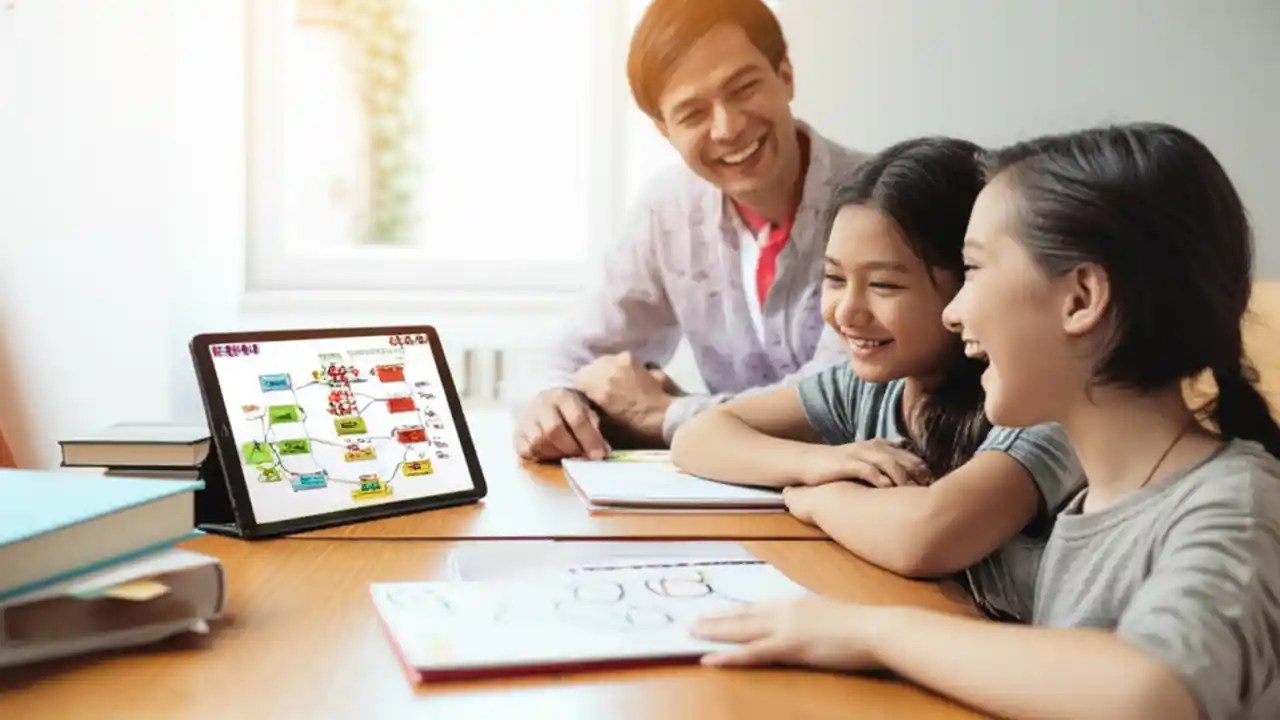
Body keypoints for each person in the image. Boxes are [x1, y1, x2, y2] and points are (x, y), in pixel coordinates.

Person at [693, 123, 1280, 719]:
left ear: (1080, 299)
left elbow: (1150, 694)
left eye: (972, 270)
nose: (953, 312)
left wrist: (873, 633)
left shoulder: (1239, 505)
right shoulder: (1089, 509)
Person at [672, 137, 1080, 578]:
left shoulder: (1032, 402)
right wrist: (820, 462)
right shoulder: (869, 388)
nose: (848, 311)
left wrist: (814, 497)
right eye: (833, 277)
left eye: (884, 285)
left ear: (969, 281)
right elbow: (697, 438)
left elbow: (925, 538)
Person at [513, 0, 863, 461]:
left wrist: (665, 415)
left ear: (786, 76)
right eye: (692, 114)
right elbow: (560, 355)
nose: (728, 127)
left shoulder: (877, 202)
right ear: (664, 130)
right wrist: (549, 402)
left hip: (866, 497)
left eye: (744, 88)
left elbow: (842, 398)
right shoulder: (667, 210)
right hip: (732, 499)